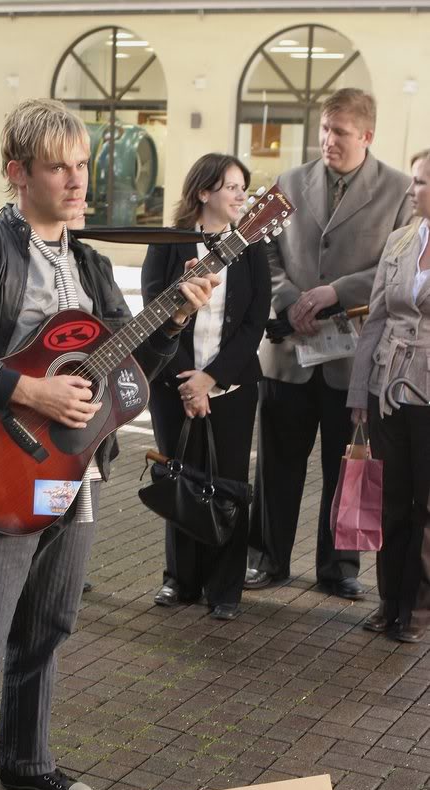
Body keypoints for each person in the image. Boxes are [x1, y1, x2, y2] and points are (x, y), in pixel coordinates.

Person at [0, 99, 215, 790]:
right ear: (18, 173)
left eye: (82, 166)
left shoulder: (92, 265)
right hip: (0, 474)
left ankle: (27, 762)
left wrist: (173, 321)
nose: (78, 181)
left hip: (75, 477)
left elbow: (128, 379)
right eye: (59, 168)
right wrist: (25, 390)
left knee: (48, 629)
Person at [246, 88, 412, 600]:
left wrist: (335, 292)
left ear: (366, 136)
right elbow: (260, 253)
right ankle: (267, 557)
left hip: (351, 358)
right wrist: (291, 297)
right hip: (290, 351)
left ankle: (339, 568)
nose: (327, 141)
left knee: (347, 466)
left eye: (339, 133)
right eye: (324, 130)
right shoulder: (288, 183)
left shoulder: (399, 191)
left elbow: (396, 266)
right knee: (276, 464)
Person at [142, 153, 271, 620]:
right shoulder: (168, 243)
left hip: (231, 387)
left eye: (244, 187)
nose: (242, 195)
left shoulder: (252, 245)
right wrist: (187, 381)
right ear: (203, 192)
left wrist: (211, 378)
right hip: (174, 384)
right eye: (232, 187)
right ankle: (180, 580)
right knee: (181, 478)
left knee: (228, 485)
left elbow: (255, 322)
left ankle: (225, 590)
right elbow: (154, 320)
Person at [347, 150, 430, 643]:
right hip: (388, 390)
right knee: (392, 501)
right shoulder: (400, 239)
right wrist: (359, 392)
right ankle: (388, 601)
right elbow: (376, 319)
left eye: (420, 183)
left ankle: (417, 609)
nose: (412, 190)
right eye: (415, 181)